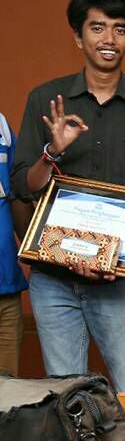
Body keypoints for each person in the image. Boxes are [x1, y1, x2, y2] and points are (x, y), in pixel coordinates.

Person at [10, 0, 125, 392]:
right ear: (78, 37)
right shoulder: (47, 100)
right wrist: (53, 151)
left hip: (119, 279)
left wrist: (105, 257)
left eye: (119, 29)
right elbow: (21, 185)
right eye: (97, 28)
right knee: (66, 393)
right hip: (53, 278)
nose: (108, 39)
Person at [0, 111, 28, 376]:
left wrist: (35, 249)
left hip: (6, 290)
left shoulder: (1, 125)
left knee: (6, 397)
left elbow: (17, 194)